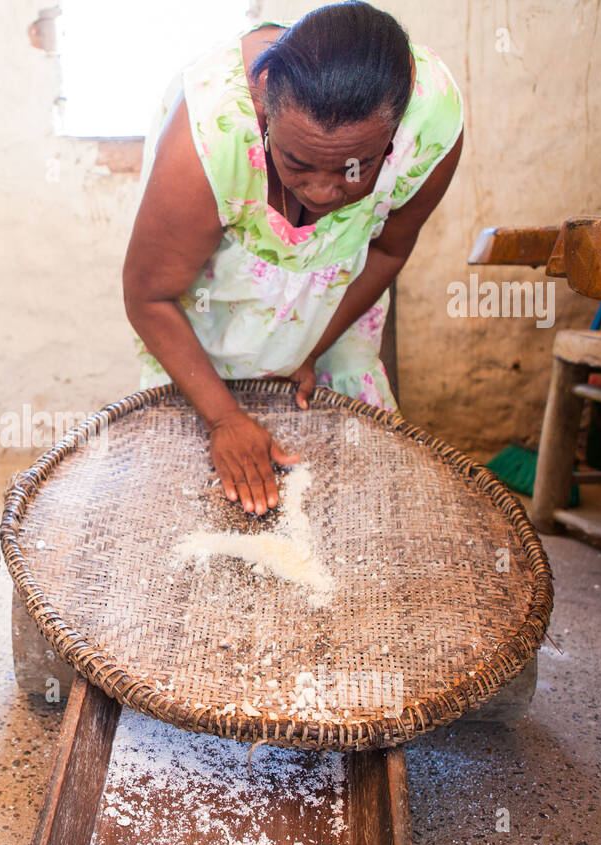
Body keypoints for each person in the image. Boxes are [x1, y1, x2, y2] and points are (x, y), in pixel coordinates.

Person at [123, 1, 464, 516]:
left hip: (337, 304)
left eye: (354, 169)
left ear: (393, 138)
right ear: (264, 116)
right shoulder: (214, 136)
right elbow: (149, 296)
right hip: (204, 317)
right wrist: (224, 421)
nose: (323, 193)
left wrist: (311, 349)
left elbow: (389, 248)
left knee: (352, 512)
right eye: (296, 164)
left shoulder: (432, 123)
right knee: (193, 511)